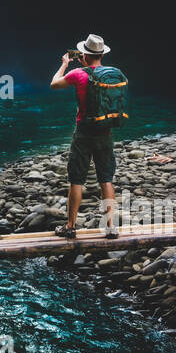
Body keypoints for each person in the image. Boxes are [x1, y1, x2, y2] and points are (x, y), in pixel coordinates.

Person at [48, 33, 125, 239]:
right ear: (101, 54)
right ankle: (110, 227)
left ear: (83, 55)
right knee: (106, 179)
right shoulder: (114, 74)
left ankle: (71, 226)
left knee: (76, 180)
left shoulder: (78, 74)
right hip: (105, 131)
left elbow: (54, 84)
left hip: (83, 132)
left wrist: (65, 64)